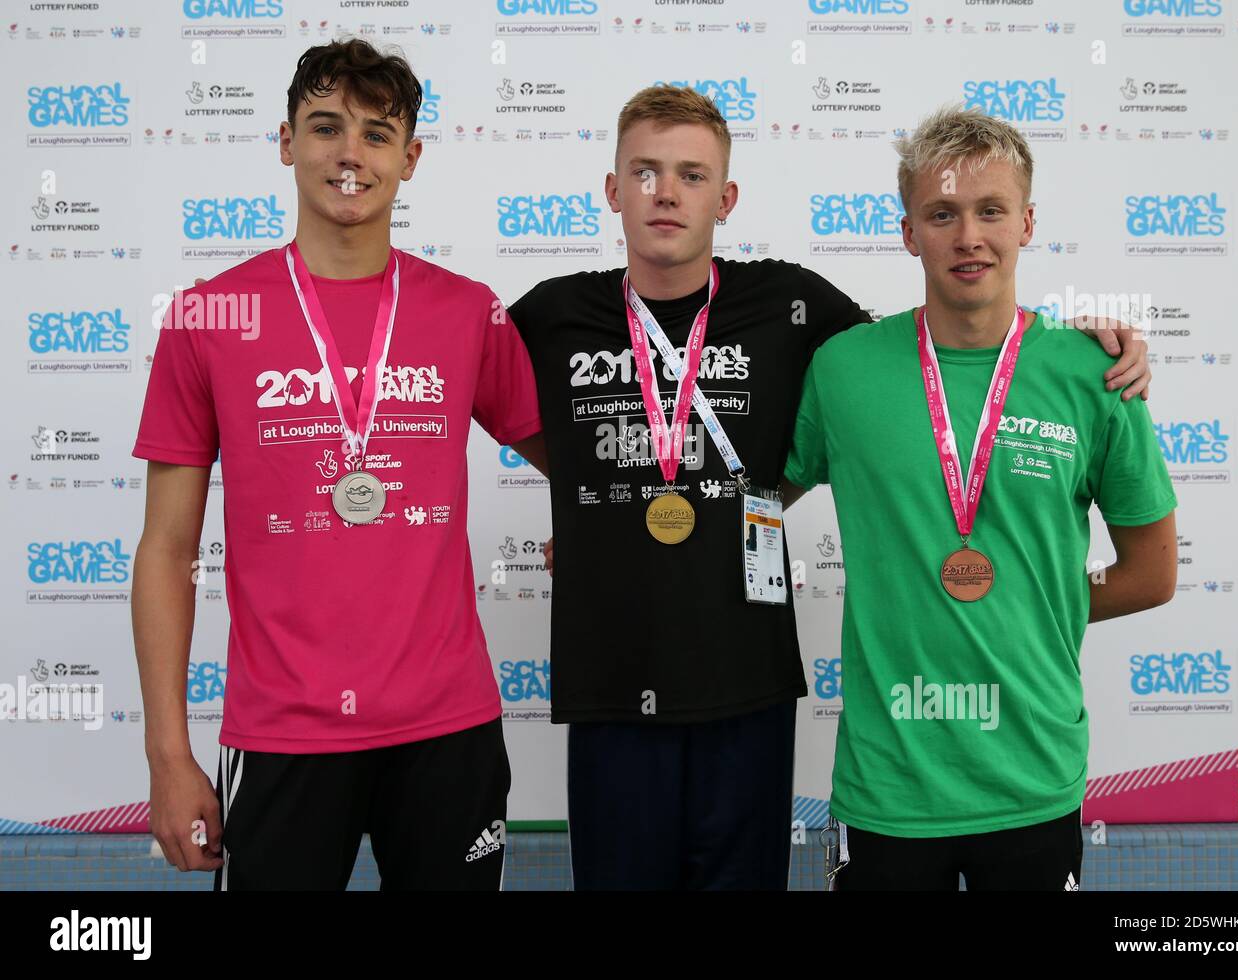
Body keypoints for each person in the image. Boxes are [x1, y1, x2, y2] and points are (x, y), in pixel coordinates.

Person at [510, 85, 1152, 890]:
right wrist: (592, 501)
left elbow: (941, 352)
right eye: (644, 171)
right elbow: (481, 398)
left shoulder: (794, 306)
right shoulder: (549, 313)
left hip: (748, 683)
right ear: (611, 190)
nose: (666, 192)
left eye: (691, 174)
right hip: (616, 686)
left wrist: (1094, 338)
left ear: (727, 196)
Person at [131, 38, 546, 890]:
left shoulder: (470, 313)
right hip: (283, 733)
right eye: (325, 128)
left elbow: (571, 467)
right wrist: (168, 757)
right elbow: (167, 552)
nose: (349, 155)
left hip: (448, 731)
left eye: (376, 133)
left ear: (411, 157)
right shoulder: (208, 316)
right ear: (285, 141)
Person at [782, 106, 1178, 891]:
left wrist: (1031, 603)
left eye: (990, 210)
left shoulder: (1094, 374)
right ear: (908, 232)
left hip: (1032, 778)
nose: (969, 236)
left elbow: (1152, 573)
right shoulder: (843, 369)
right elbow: (757, 504)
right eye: (943, 213)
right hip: (889, 785)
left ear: (1026, 222)